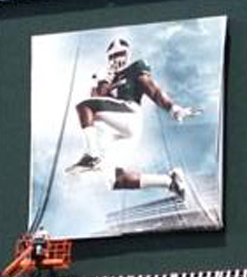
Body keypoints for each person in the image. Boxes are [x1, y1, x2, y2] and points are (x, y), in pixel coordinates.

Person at [69, 37, 197, 195]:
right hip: (119, 131)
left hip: (130, 114)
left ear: (128, 53)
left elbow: (153, 90)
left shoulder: (134, 69)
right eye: (113, 56)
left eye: (120, 53)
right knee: (115, 180)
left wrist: (172, 108)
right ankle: (170, 181)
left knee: (84, 105)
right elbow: (97, 100)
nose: (117, 59)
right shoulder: (107, 77)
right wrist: (101, 81)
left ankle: (91, 154)